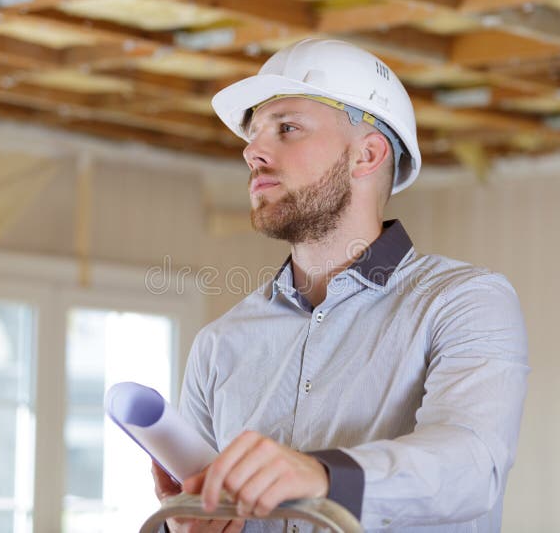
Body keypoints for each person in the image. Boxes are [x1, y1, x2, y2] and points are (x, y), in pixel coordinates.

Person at [152, 38, 529, 532]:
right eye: (254, 134)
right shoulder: (219, 345)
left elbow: (471, 467)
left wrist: (322, 476)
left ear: (366, 154)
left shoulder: (464, 303)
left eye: (286, 128)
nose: (252, 151)